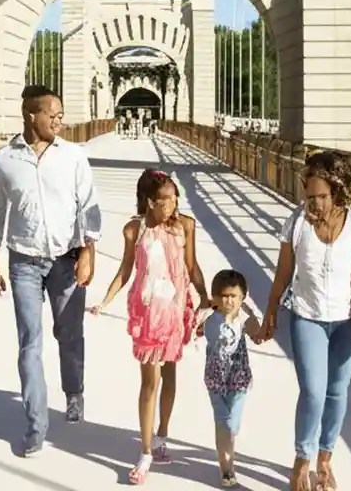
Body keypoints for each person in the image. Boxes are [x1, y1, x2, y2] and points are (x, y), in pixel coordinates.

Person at [0, 84, 102, 457]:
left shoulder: (73, 156)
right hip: (23, 262)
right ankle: (36, 426)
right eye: (53, 115)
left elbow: (88, 205)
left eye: (61, 116)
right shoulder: (4, 160)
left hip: (67, 260)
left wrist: (89, 253)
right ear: (31, 115)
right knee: (29, 343)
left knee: (69, 333)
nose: (59, 121)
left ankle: (74, 392)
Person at [259, 151, 351, 491]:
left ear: (338, 192)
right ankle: (302, 459)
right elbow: (283, 272)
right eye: (309, 196)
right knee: (313, 392)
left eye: (322, 196)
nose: (314, 203)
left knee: (336, 392)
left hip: (346, 320)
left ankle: (325, 460)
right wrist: (271, 308)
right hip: (308, 317)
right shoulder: (297, 223)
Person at [88, 168, 209, 485]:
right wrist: (105, 301)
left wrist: (205, 297)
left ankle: (162, 437)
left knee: (170, 375)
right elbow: (126, 269)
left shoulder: (185, 226)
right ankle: (144, 453)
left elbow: (191, 266)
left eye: (175, 198)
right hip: (147, 313)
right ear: (150, 201)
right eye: (165, 199)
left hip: (175, 310)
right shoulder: (134, 229)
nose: (172, 204)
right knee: (149, 382)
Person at [194, 269, 262, 488]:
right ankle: (226, 468)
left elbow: (258, 335)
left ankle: (228, 456)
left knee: (232, 425)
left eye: (234, 296)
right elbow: (192, 329)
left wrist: (250, 313)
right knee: (223, 421)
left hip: (238, 379)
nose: (229, 301)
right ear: (215, 297)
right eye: (224, 296)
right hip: (215, 378)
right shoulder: (209, 319)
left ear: (242, 297)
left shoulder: (243, 319)